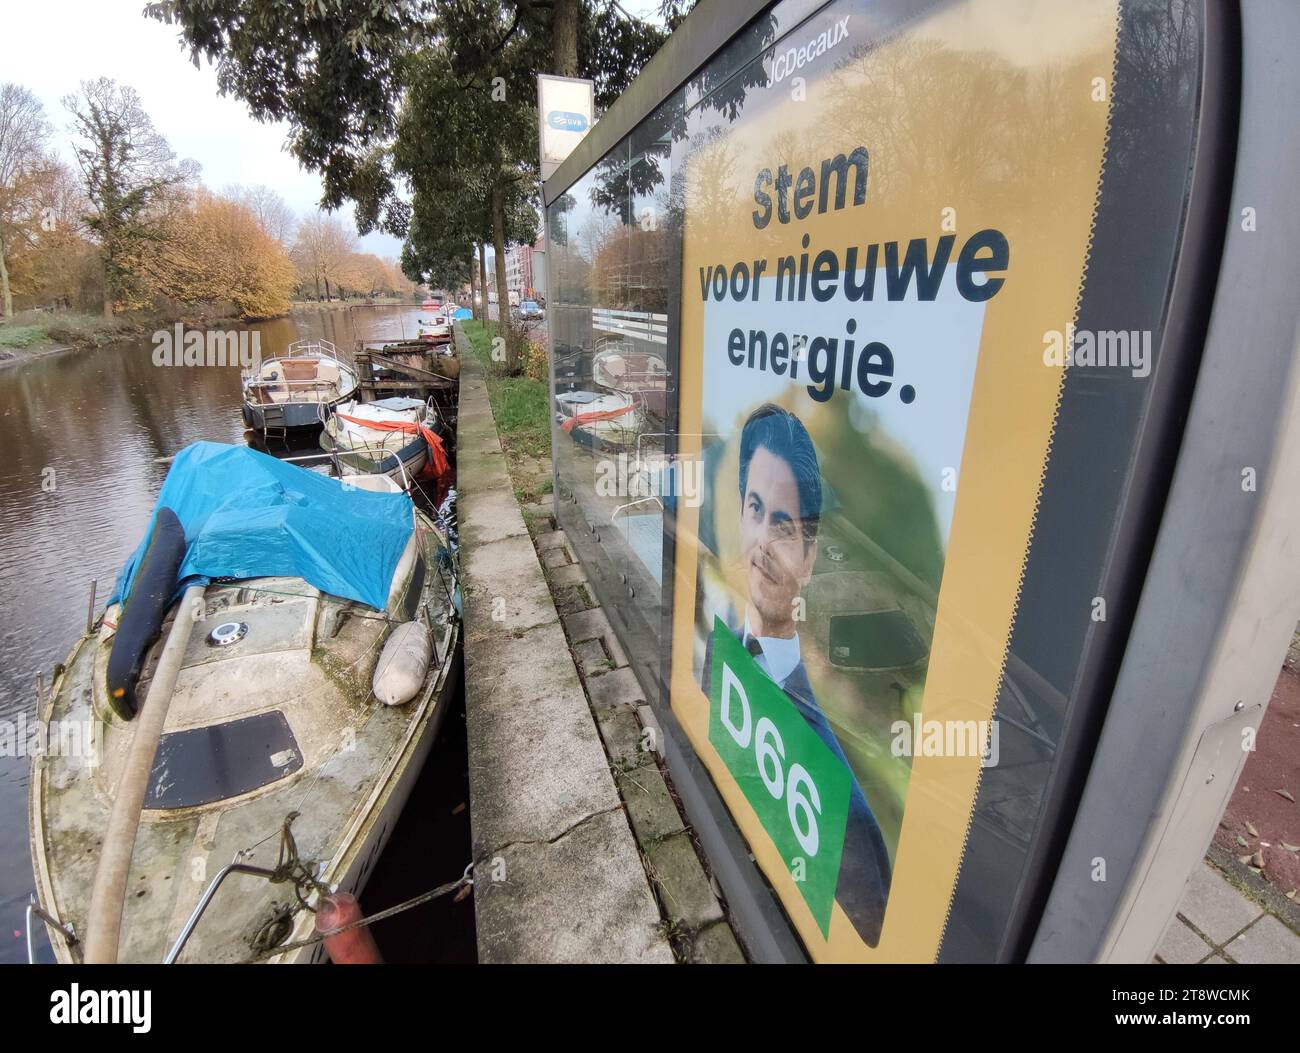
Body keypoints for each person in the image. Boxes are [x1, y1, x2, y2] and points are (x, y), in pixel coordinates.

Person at [702, 403, 891, 946]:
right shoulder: (718, 656)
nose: (762, 539)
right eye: (755, 509)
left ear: (809, 560)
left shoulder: (845, 813)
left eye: (784, 526)